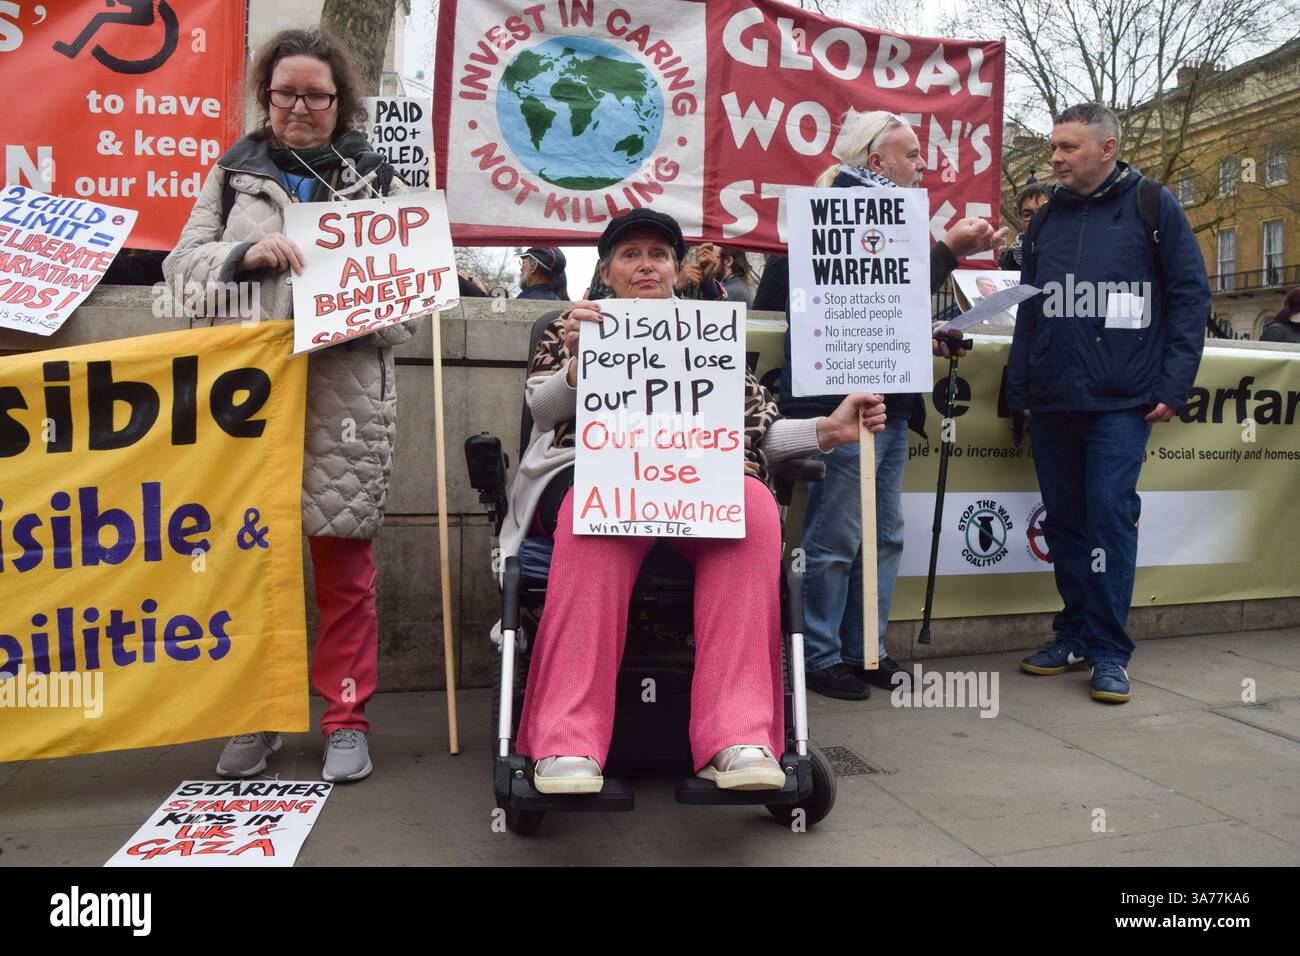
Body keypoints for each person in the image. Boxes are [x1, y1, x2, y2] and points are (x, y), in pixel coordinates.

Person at [499, 207, 888, 794]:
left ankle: (737, 735)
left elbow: (755, 432)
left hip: (696, 476)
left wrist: (828, 431)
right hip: (592, 471)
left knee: (756, 509)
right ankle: (566, 741)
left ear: (679, 271)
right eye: (630, 255)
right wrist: (586, 362)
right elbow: (544, 411)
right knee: (596, 509)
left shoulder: (708, 335)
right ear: (607, 271)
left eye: (658, 254)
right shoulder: (572, 323)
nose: (646, 264)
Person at [164, 27, 423, 781]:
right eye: (286, 94)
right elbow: (180, 276)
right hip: (245, 405)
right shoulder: (231, 174)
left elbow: (409, 310)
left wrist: (346, 295)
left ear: (340, 101)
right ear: (265, 97)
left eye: (315, 94)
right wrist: (244, 257)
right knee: (249, 567)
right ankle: (258, 715)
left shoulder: (377, 181)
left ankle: (345, 717)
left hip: (344, 405)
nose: (299, 107)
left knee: (344, 573)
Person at [781, 110, 1006, 700]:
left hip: (890, 399)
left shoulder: (893, 217)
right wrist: (949, 251)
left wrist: (920, 331)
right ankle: (822, 654)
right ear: (876, 162)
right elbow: (859, 296)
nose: (921, 164)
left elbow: (880, 305)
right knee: (837, 534)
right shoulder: (837, 209)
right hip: (845, 402)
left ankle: (865, 650)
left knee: (883, 534)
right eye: (911, 155)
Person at [1008, 103, 1209, 703]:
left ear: (1108, 148)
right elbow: (1029, 310)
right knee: (1066, 523)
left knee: (1108, 522)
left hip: (1121, 403)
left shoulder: (1154, 206)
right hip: (1052, 402)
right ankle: (1071, 633)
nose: (1056, 159)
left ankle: (1108, 651)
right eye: (1053, 147)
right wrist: (1021, 389)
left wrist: (1174, 385)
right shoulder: (1044, 222)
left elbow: (1190, 296)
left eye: (1068, 147)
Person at [1000, 183, 1052, 270]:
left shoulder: (1073, 255)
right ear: (1021, 219)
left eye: (1043, 212)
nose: (1036, 220)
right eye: (1028, 215)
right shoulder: (1007, 263)